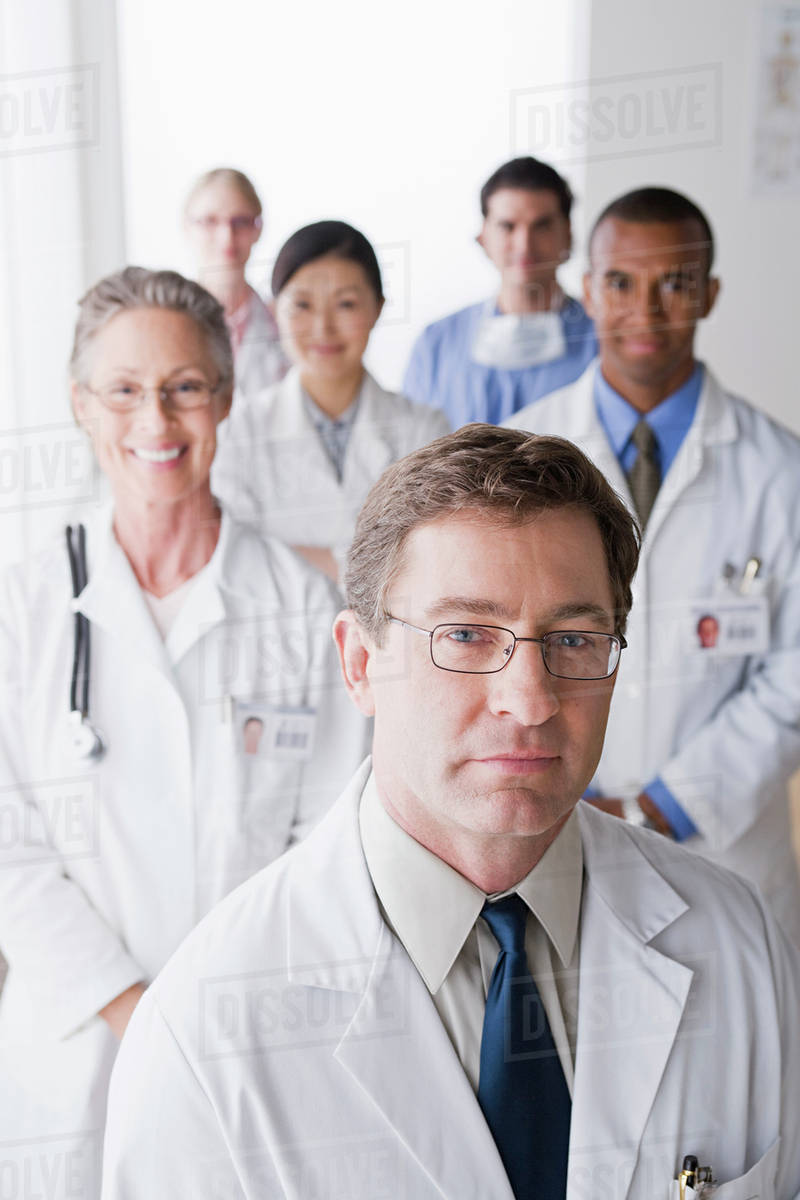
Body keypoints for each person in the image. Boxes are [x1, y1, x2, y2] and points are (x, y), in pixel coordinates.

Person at [103, 426, 800, 1199]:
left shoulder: (737, 946)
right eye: (466, 635)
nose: (530, 700)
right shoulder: (203, 1032)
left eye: (573, 639)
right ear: (361, 665)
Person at [0, 268, 367, 1200]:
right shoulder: (24, 605)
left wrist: (205, 1014)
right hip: (72, 1051)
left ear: (228, 398)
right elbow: (12, 853)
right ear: (82, 406)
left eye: (185, 388)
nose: (155, 421)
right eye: (123, 390)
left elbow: (327, 844)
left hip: (248, 1045)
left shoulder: (299, 607)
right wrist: (136, 1009)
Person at [505, 187, 800, 946]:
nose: (647, 309)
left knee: (743, 1053)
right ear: (586, 292)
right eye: (621, 283)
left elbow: (792, 677)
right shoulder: (518, 455)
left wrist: (658, 807)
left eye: (675, 282)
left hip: (728, 851)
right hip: (551, 832)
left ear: (710, 293)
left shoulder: (781, 472)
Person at [211, 220, 449, 584]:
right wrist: (370, 566)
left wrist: (292, 556)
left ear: (378, 307)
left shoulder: (424, 431)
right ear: (275, 311)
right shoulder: (238, 432)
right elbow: (235, 558)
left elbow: (433, 561)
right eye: (303, 305)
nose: (323, 327)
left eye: (346, 304)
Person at [402, 156, 597, 427]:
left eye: (541, 226)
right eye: (507, 226)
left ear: (568, 234)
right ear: (483, 237)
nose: (524, 244)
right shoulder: (437, 344)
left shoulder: (603, 340)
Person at [184, 167, 289, 397]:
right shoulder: (169, 320)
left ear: (258, 228)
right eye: (209, 221)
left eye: (240, 221)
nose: (226, 236)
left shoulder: (283, 322)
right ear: (187, 227)